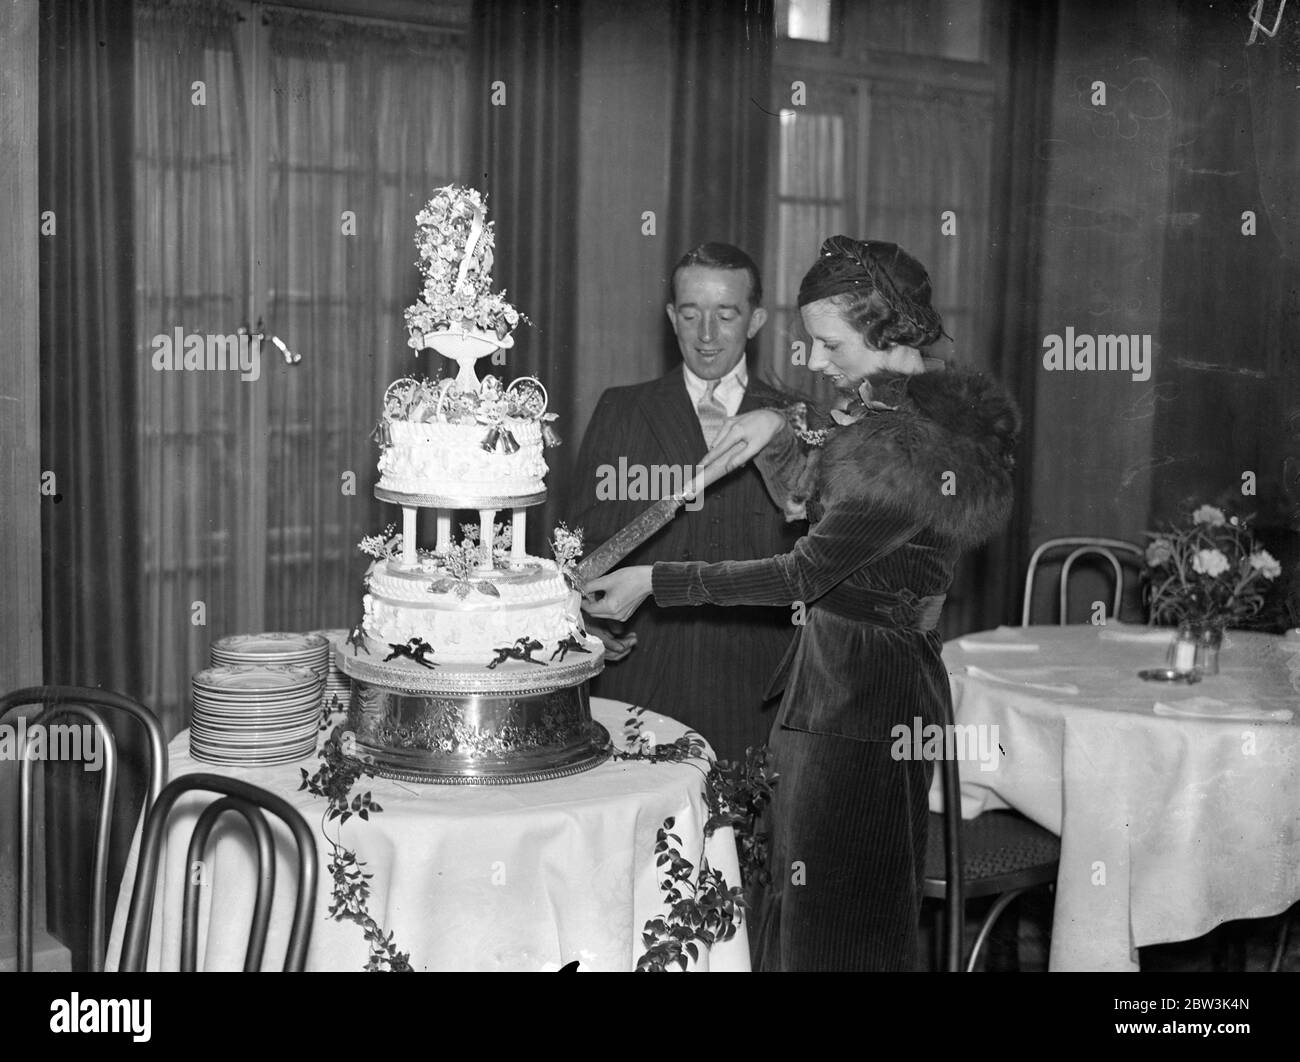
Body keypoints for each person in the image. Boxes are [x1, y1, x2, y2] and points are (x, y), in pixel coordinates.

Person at [583, 236, 1019, 971]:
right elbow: (809, 495)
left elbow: (802, 571)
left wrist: (652, 582)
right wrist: (779, 426)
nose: (813, 364)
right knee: (825, 907)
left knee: (838, 922)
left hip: (862, 700)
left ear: (890, 333)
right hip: (853, 683)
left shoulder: (907, 452)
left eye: (828, 344)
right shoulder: (898, 423)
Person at [567, 243, 802, 764]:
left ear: (757, 318)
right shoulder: (622, 410)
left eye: (726, 314)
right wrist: (588, 622)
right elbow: (581, 549)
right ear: (672, 317)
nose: (706, 335)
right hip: (644, 677)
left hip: (760, 686)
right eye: (691, 314)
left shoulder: (795, 421)